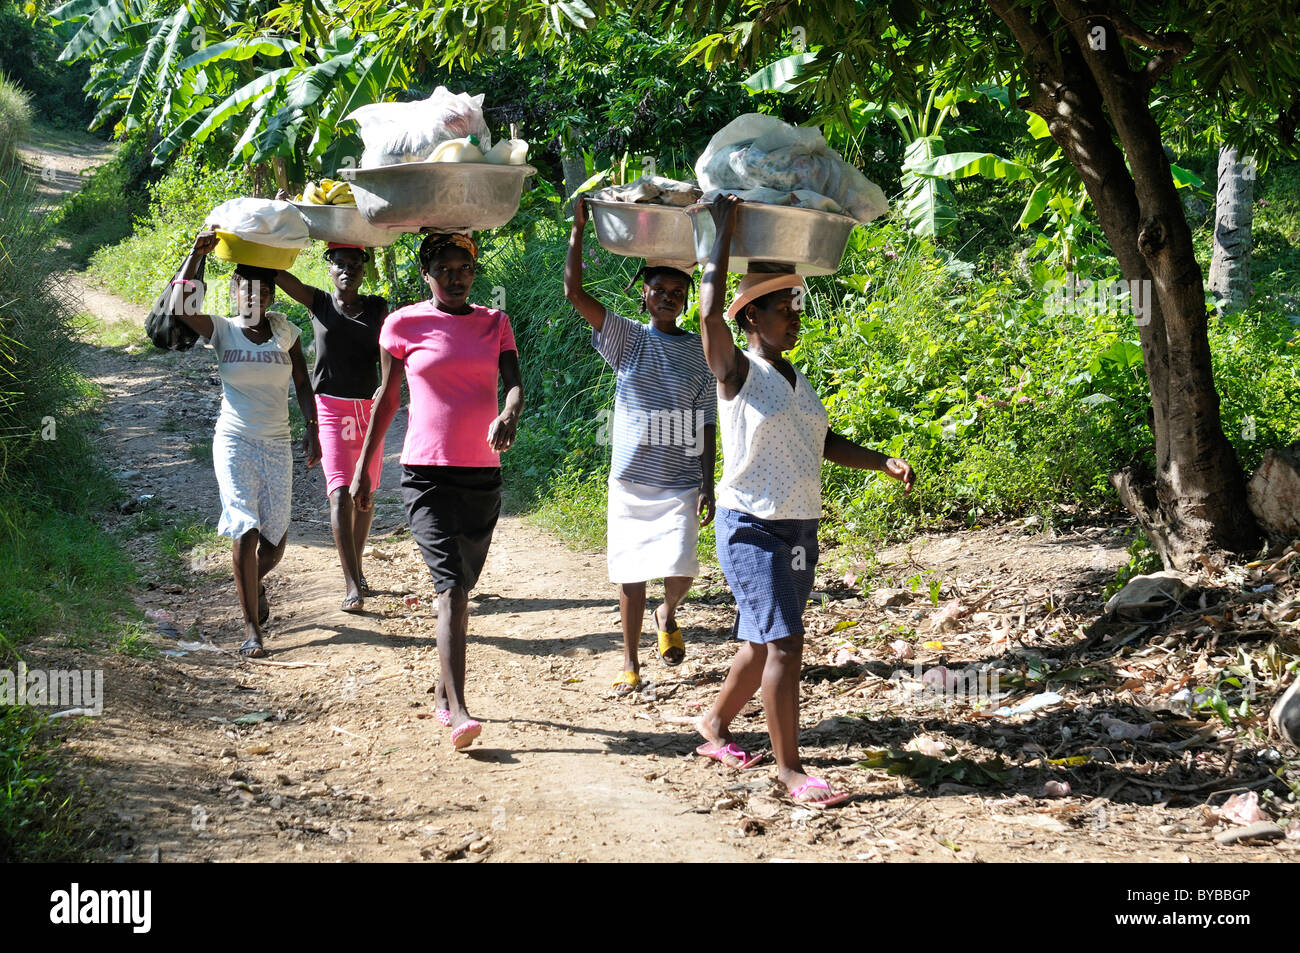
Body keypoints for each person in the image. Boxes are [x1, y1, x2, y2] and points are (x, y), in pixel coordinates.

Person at [693, 194, 916, 806]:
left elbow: (823, 442)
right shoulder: (737, 371)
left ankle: (712, 725)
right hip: (752, 526)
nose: (795, 318)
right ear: (751, 318)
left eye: (796, 307)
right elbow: (709, 315)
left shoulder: (797, 379)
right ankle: (788, 770)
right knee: (786, 644)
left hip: (798, 528)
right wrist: (723, 231)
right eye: (783, 310)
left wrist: (880, 461)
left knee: (762, 642)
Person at [351, 233, 523, 751]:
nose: (455, 276)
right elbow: (387, 398)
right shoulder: (401, 324)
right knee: (449, 587)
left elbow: (513, 382)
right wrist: (362, 465)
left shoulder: (495, 322)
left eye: (464, 267)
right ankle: (460, 710)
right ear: (426, 273)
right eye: (444, 268)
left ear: (475, 271)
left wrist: (509, 412)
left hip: (482, 474)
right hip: (425, 473)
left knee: (462, 586)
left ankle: (442, 689)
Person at [565, 195, 717, 695]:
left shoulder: (700, 351)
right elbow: (574, 292)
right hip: (631, 481)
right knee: (630, 576)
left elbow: (707, 420)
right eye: (660, 288)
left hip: (678, 482)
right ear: (644, 296)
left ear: (686, 298)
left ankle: (667, 614)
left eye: (679, 290)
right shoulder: (628, 340)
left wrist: (707, 483)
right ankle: (630, 662)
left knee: (681, 568)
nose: (670, 296)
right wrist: (580, 230)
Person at [164, 229, 321, 658]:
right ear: (235, 292)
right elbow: (178, 305)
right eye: (245, 289)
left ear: (270, 296)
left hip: (276, 444)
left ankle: (252, 584)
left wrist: (312, 427)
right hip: (234, 441)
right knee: (245, 528)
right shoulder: (222, 331)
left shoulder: (286, 334)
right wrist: (196, 254)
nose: (254, 297)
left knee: (276, 542)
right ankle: (252, 629)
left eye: (262, 290)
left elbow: (303, 384)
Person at [273, 243, 388, 613]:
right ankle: (352, 582)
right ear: (329, 268)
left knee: (364, 495)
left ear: (364, 269)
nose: (347, 271)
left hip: (369, 410)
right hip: (331, 410)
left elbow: (389, 357)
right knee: (339, 492)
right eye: (340, 264)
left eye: (355, 265)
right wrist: (281, 228)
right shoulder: (319, 303)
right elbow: (279, 275)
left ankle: (357, 566)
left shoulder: (377, 308)